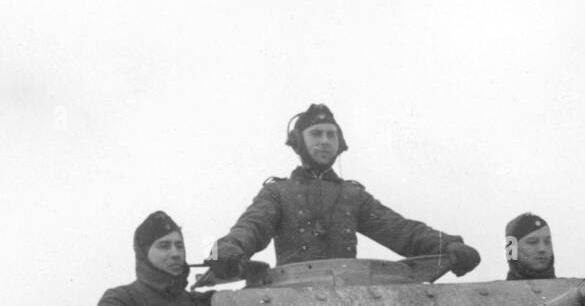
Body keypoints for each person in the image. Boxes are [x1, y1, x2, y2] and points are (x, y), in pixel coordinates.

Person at [202, 103, 481, 281]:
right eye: (316, 134)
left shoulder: (352, 195)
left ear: (340, 143)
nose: (324, 141)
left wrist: (447, 244)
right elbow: (250, 227)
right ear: (298, 141)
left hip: (349, 295)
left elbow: (399, 229)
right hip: (291, 296)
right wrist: (224, 251)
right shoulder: (277, 193)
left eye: (331, 134)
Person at [504, 213, 556, 280]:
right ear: (511, 249)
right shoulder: (495, 287)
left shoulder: (568, 286)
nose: (542, 249)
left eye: (547, 241)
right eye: (532, 242)